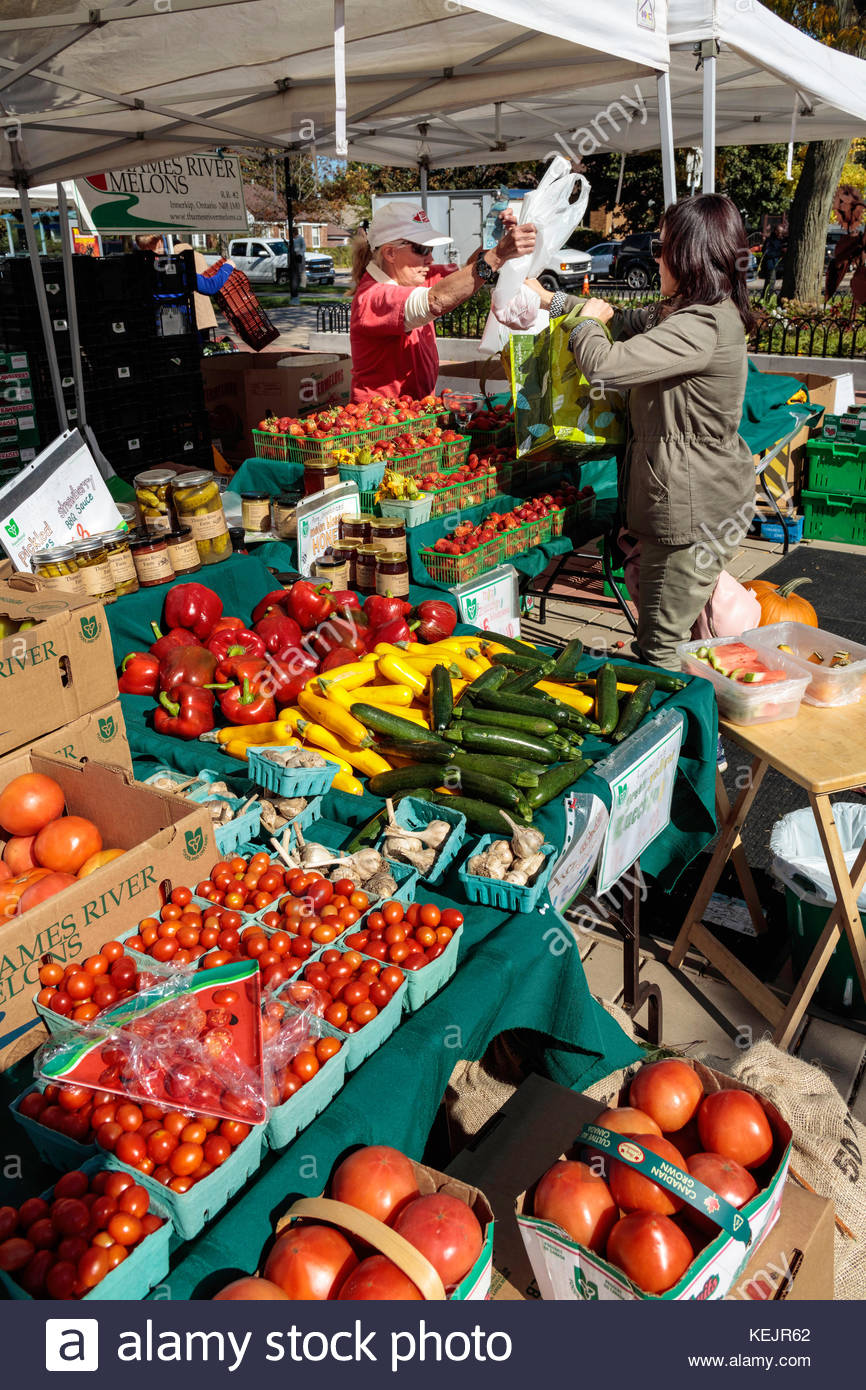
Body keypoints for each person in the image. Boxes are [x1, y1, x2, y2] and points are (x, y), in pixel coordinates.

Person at [529, 193, 756, 672]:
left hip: (691, 511)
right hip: (698, 500)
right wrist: (557, 302)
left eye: (662, 247)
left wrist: (586, 324)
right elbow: (628, 320)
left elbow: (606, 366)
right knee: (677, 633)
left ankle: (691, 740)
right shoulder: (690, 312)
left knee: (661, 648)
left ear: (689, 254)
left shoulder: (700, 325)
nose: (656, 258)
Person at [349, 201, 535, 402]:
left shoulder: (412, 276)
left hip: (411, 413)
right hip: (378, 422)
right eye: (422, 249)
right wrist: (498, 255)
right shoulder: (372, 297)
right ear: (390, 253)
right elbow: (437, 299)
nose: (430, 259)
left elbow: (465, 274)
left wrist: (497, 239)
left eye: (431, 249)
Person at [172, 242, 235, 343]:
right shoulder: (198, 256)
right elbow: (209, 283)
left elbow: (209, 286)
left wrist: (227, 268)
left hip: (189, 315)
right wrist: (227, 266)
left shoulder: (177, 263)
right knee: (203, 347)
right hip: (204, 313)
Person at [760, 223, 785, 301]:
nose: (781, 234)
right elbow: (767, 253)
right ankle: (765, 300)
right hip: (771, 265)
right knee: (770, 284)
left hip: (778, 266)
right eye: (779, 232)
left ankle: (765, 299)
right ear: (775, 231)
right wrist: (780, 252)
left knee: (772, 284)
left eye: (782, 232)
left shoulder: (781, 240)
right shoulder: (769, 240)